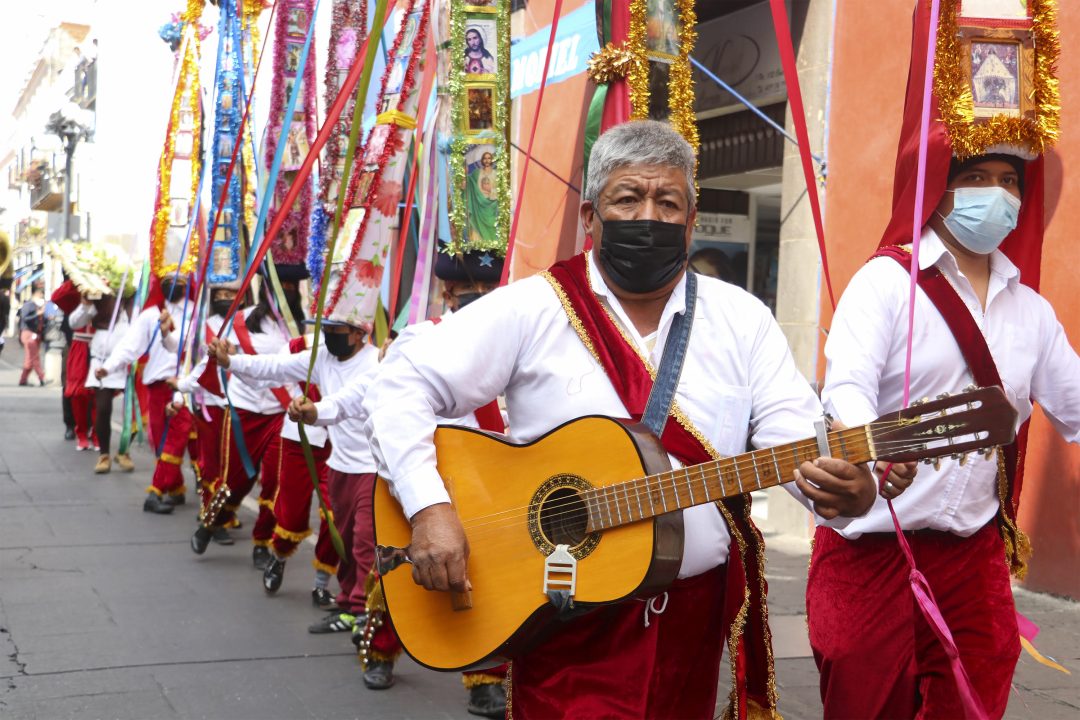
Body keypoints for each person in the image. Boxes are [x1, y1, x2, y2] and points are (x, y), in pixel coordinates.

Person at [356, 120, 884, 718]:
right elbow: (398, 384)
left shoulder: (743, 320)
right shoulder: (535, 306)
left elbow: (797, 438)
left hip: (692, 622)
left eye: (668, 203)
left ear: (691, 221)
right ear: (590, 216)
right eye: (628, 199)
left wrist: (847, 490)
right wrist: (429, 508)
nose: (649, 217)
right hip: (565, 624)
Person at [810, 4, 1080, 716]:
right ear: (940, 184)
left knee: (974, 702)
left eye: (1012, 179)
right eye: (980, 175)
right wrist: (870, 456)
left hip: (973, 557)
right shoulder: (884, 282)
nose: (1001, 194)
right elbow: (846, 388)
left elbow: (1076, 405)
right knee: (865, 704)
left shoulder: (1032, 311)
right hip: (874, 546)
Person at [297, 275, 508, 717]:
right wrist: (321, 411)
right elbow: (376, 399)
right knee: (397, 575)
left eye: (490, 286)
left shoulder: (517, 332)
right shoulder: (419, 339)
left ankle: (486, 678)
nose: (482, 296)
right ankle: (379, 650)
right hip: (422, 478)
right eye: (470, 287)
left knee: (493, 580)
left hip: (491, 479)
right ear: (447, 294)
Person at [215, 312, 379, 639]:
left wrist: (316, 411)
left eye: (336, 329)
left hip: (372, 466)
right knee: (343, 540)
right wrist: (230, 361)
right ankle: (349, 606)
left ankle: (364, 615)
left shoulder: (378, 362)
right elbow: (275, 367)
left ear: (359, 333)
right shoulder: (323, 357)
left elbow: (348, 400)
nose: (328, 335)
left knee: (364, 540)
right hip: (340, 464)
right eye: (325, 329)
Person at [179, 284, 289, 556]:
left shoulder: (300, 325)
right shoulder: (241, 320)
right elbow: (215, 359)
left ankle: (262, 543)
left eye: (291, 285)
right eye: (281, 283)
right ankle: (210, 522)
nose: (286, 289)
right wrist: (183, 387)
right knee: (236, 481)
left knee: (274, 482)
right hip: (244, 410)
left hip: (280, 413)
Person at [101, 273, 199, 513]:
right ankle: (175, 488)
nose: (172, 283)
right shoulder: (150, 315)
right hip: (157, 386)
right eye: (166, 279)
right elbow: (130, 345)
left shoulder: (196, 312)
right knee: (162, 440)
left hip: (187, 387)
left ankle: (156, 491)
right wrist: (108, 366)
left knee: (182, 438)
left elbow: (188, 348)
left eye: (177, 279)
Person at [70, 292, 134, 474]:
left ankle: (124, 451)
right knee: (103, 408)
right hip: (102, 361)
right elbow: (74, 323)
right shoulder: (99, 295)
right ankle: (104, 455)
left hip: (130, 363)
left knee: (135, 412)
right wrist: (85, 304)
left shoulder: (137, 298)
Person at [17, 287, 48, 386]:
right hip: (28, 333)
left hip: (35, 334)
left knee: (29, 358)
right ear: (36, 294)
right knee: (34, 357)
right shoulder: (28, 305)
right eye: (41, 295)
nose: (42, 298)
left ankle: (23, 380)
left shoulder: (37, 306)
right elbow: (24, 318)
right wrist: (38, 314)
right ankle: (42, 377)